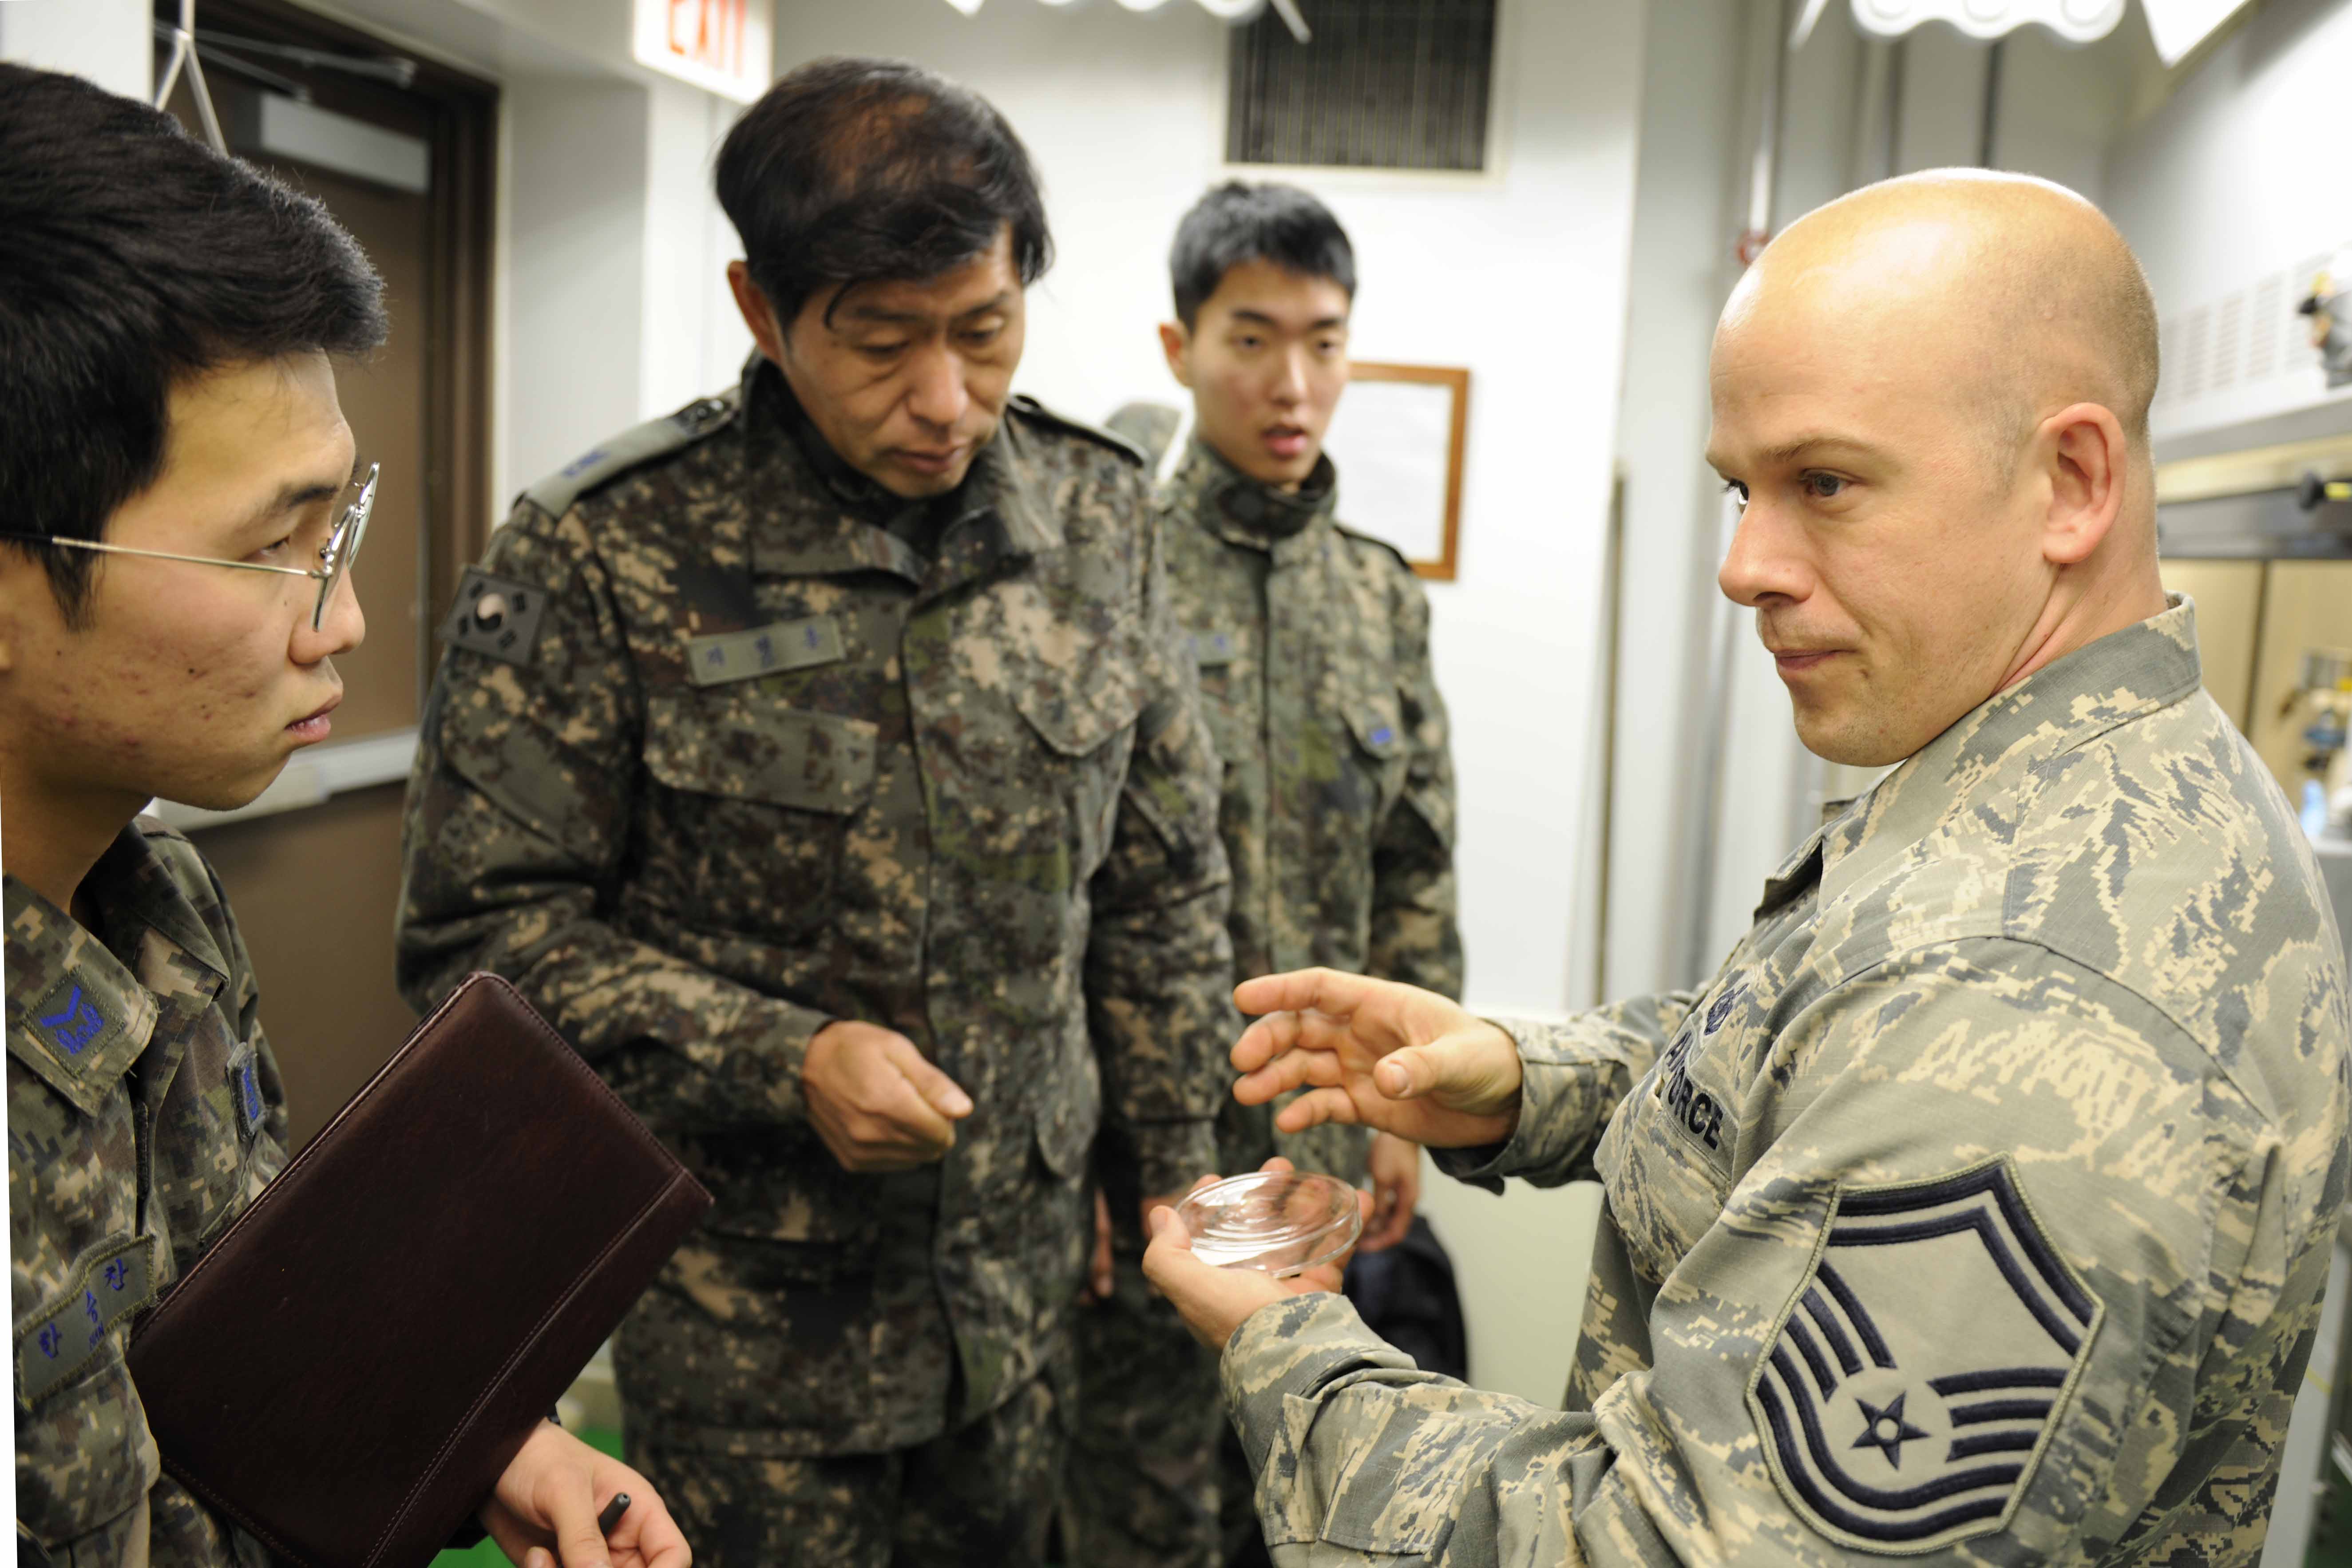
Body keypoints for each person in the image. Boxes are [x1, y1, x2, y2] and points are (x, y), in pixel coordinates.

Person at [1142, 170, 2352, 1566]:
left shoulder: (2032, 996)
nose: (1743, 566)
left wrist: (1290, 1347)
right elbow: (1822, 1057)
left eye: (1822, 483)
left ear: (2070, 482)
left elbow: (1667, 1548)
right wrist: (1529, 1079)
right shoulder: (2057, 792)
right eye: (1740, 489)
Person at [395, 56, 1235, 1568]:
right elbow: (480, 947)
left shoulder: (1100, 516)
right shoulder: (606, 552)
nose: (945, 398)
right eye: (882, 341)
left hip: (1022, 1308)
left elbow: (1161, 887)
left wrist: (1170, 1168)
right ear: (761, 310)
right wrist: (781, 1056)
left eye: (984, 331)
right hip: (753, 1347)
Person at [0, 65, 688, 1568]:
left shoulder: (154, 897)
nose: (347, 620)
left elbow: (238, 1336)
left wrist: (484, 1441)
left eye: (341, 528)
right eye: (277, 548)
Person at [1069, 181, 1461, 1568]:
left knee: (1310, 1505)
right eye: (1250, 340)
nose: (1292, 384)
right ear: (1178, 348)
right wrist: (1084, 1156)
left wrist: (1410, 1106)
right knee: (1140, 1512)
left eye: (1323, 342)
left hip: (1321, 1148)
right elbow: (1061, 900)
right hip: (1150, 1158)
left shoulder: (1376, 594)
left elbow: (1414, 866)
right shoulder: (1107, 579)